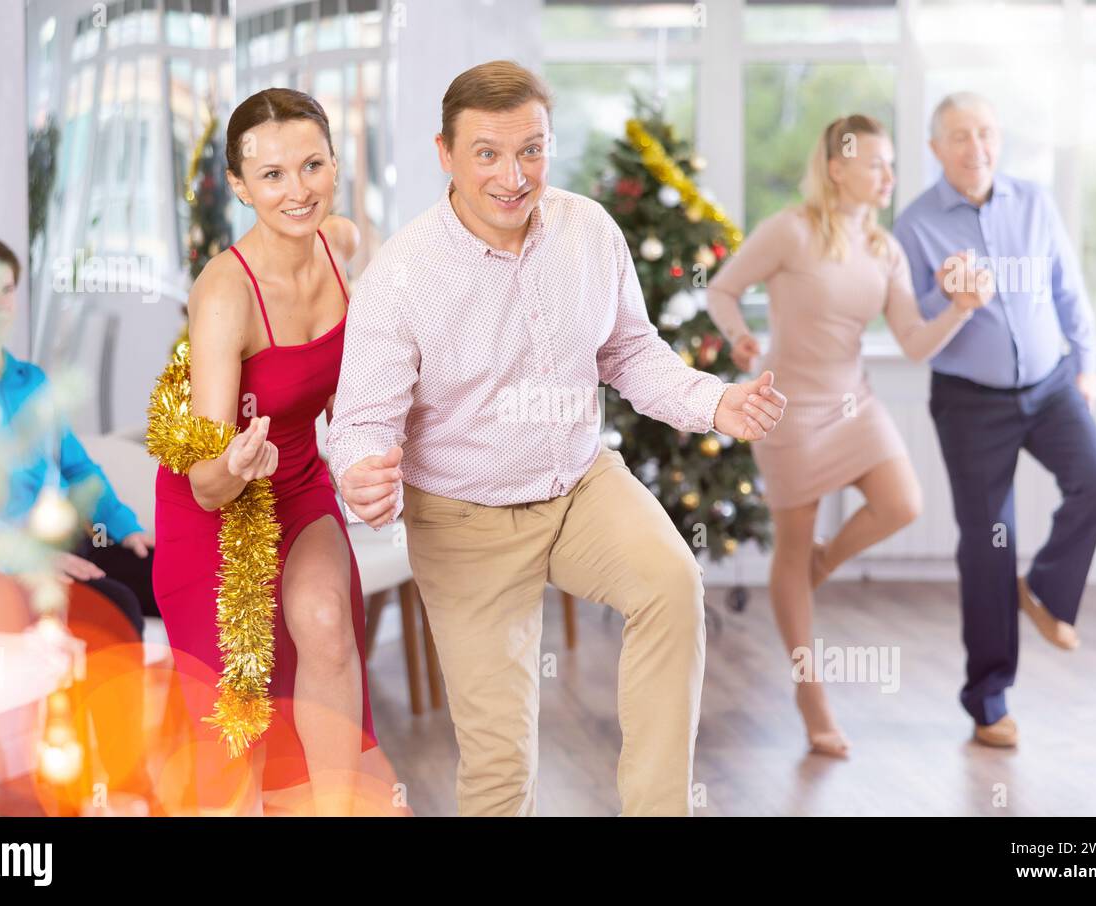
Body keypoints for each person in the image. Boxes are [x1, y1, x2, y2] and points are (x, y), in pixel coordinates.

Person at [326, 60, 786, 817]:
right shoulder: (401, 277)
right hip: (463, 518)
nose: (513, 176)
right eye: (488, 154)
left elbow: (629, 351)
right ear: (445, 153)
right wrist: (362, 470)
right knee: (500, 762)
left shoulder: (587, 229)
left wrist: (715, 402)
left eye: (531, 150)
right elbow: (363, 421)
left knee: (671, 585)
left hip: (579, 485)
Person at [706, 115, 982, 757]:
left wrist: (960, 312)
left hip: (854, 403)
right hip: (791, 411)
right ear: (837, 168)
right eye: (876, 164)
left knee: (903, 502)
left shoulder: (885, 249)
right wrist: (738, 337)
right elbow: (723, 289)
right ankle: (812, 697)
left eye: (891, 165)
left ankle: (823, 565)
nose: (889, 176)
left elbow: (914, 343)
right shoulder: (790, 231)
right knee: (790, 547)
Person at [151, 88, 379, 815]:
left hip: (301, 481)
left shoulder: (342, 245)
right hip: (215, 498)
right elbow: (208, 479)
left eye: (312, 165)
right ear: (242, 187)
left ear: (335, 166)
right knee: (233, 717)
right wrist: (235, 468)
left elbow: (351, 391)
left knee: (325, 627)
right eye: (273, 175)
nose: (297, 189)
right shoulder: (224, 293)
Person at [892, 92, 1096, 747]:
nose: (976, 148)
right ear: (936, 149)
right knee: (990, 543)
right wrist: (951, 295)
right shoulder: (913, 227)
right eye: (960, 136)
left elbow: (1067, 289)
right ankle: (988, 700)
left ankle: (1047, 590)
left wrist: (1087, 365)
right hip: (970, 401)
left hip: (1051, 385)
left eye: (986, 133)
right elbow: (915, 331)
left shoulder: (1036, 202)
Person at [0, 230, 159, 809]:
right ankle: (121, 788)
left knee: (170, 576)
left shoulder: (31, 383)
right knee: (116, 608)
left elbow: (81, 468)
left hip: (64, 544)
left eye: (6, 289)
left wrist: (125, 525)